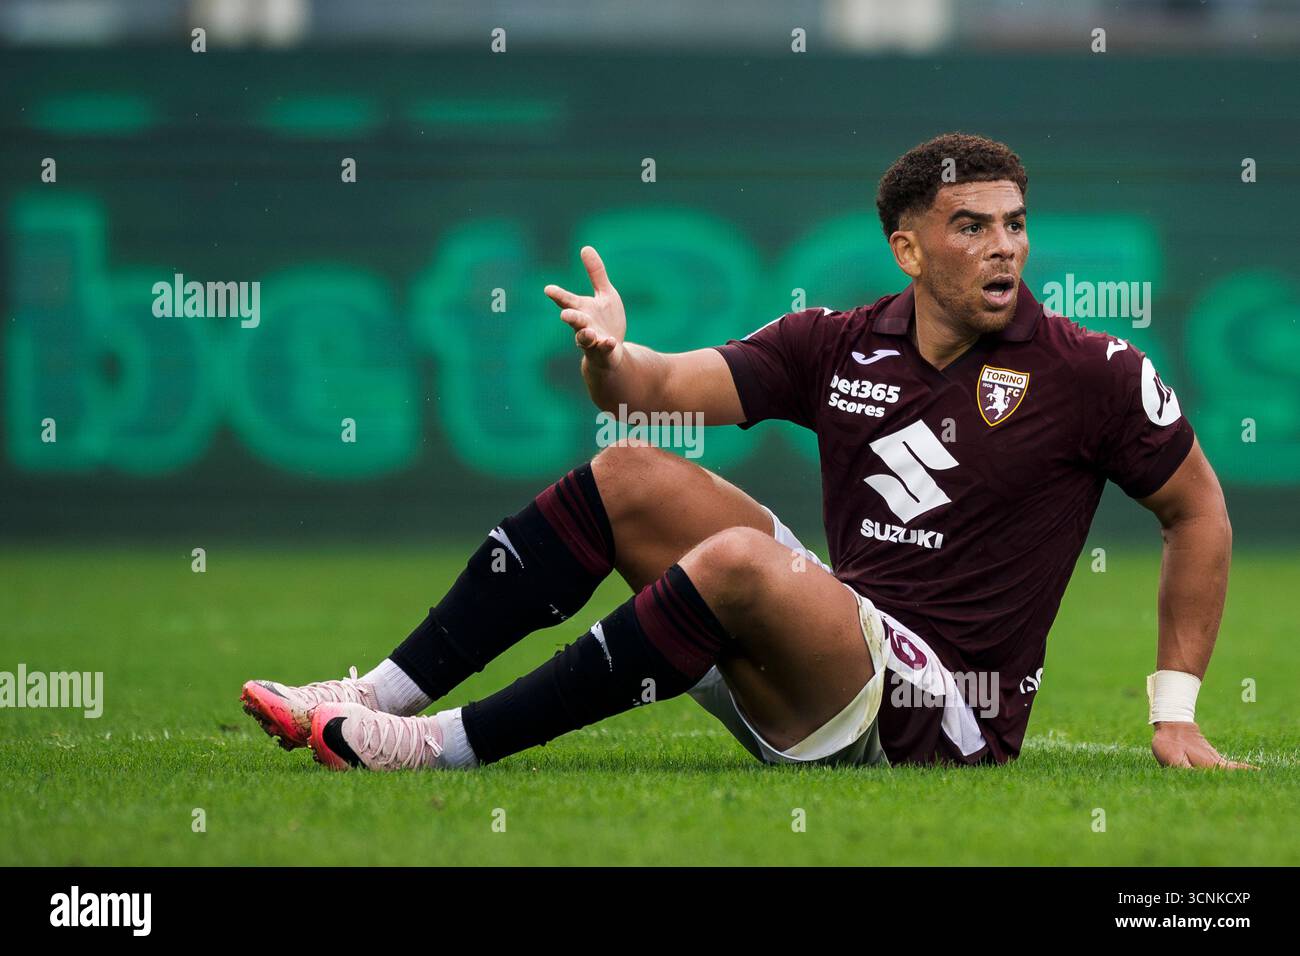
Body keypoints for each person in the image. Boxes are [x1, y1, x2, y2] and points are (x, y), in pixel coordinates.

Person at [241, 132, 1254, 772]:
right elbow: (653, 389)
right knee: (630, 471)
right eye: (971, 226)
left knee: (735, 561)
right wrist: (607, 352)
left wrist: (1173, 713)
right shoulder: (836, 340)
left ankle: (442, 748)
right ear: (907, 248)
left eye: (1016, 225)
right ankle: (376, 693)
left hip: (944, 718)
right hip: (824, 656)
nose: (1004, 247)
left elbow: (1196, 510)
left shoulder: (1093, 370)